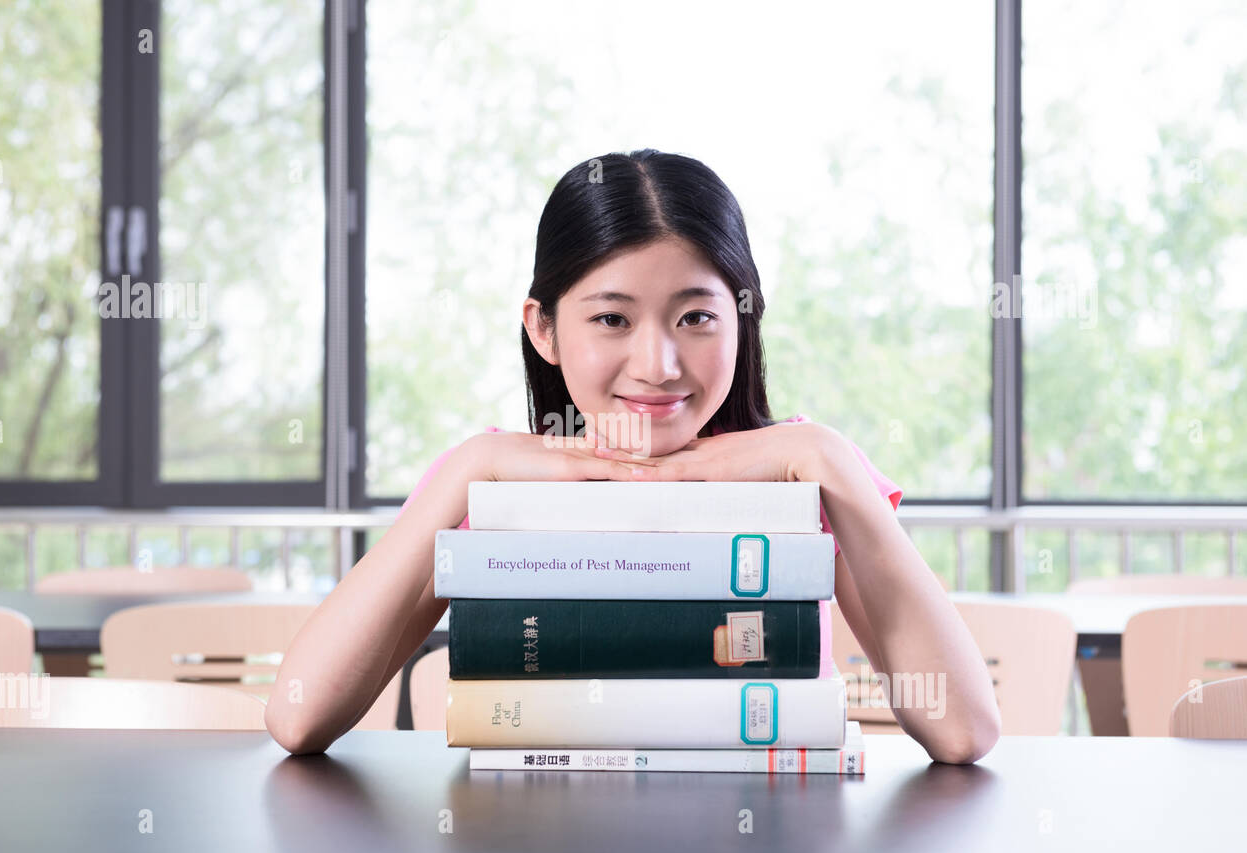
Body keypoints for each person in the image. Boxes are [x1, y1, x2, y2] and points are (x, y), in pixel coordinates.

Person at [265, 148, 1001, 763]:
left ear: (743, 319)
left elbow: (964, 728)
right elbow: (300, 717)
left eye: (696, 317)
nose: (658, 363)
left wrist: (830, 458)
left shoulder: (802, 473)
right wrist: (464, 470)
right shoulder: (492, 482)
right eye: (612, 318)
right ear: (544, 330)